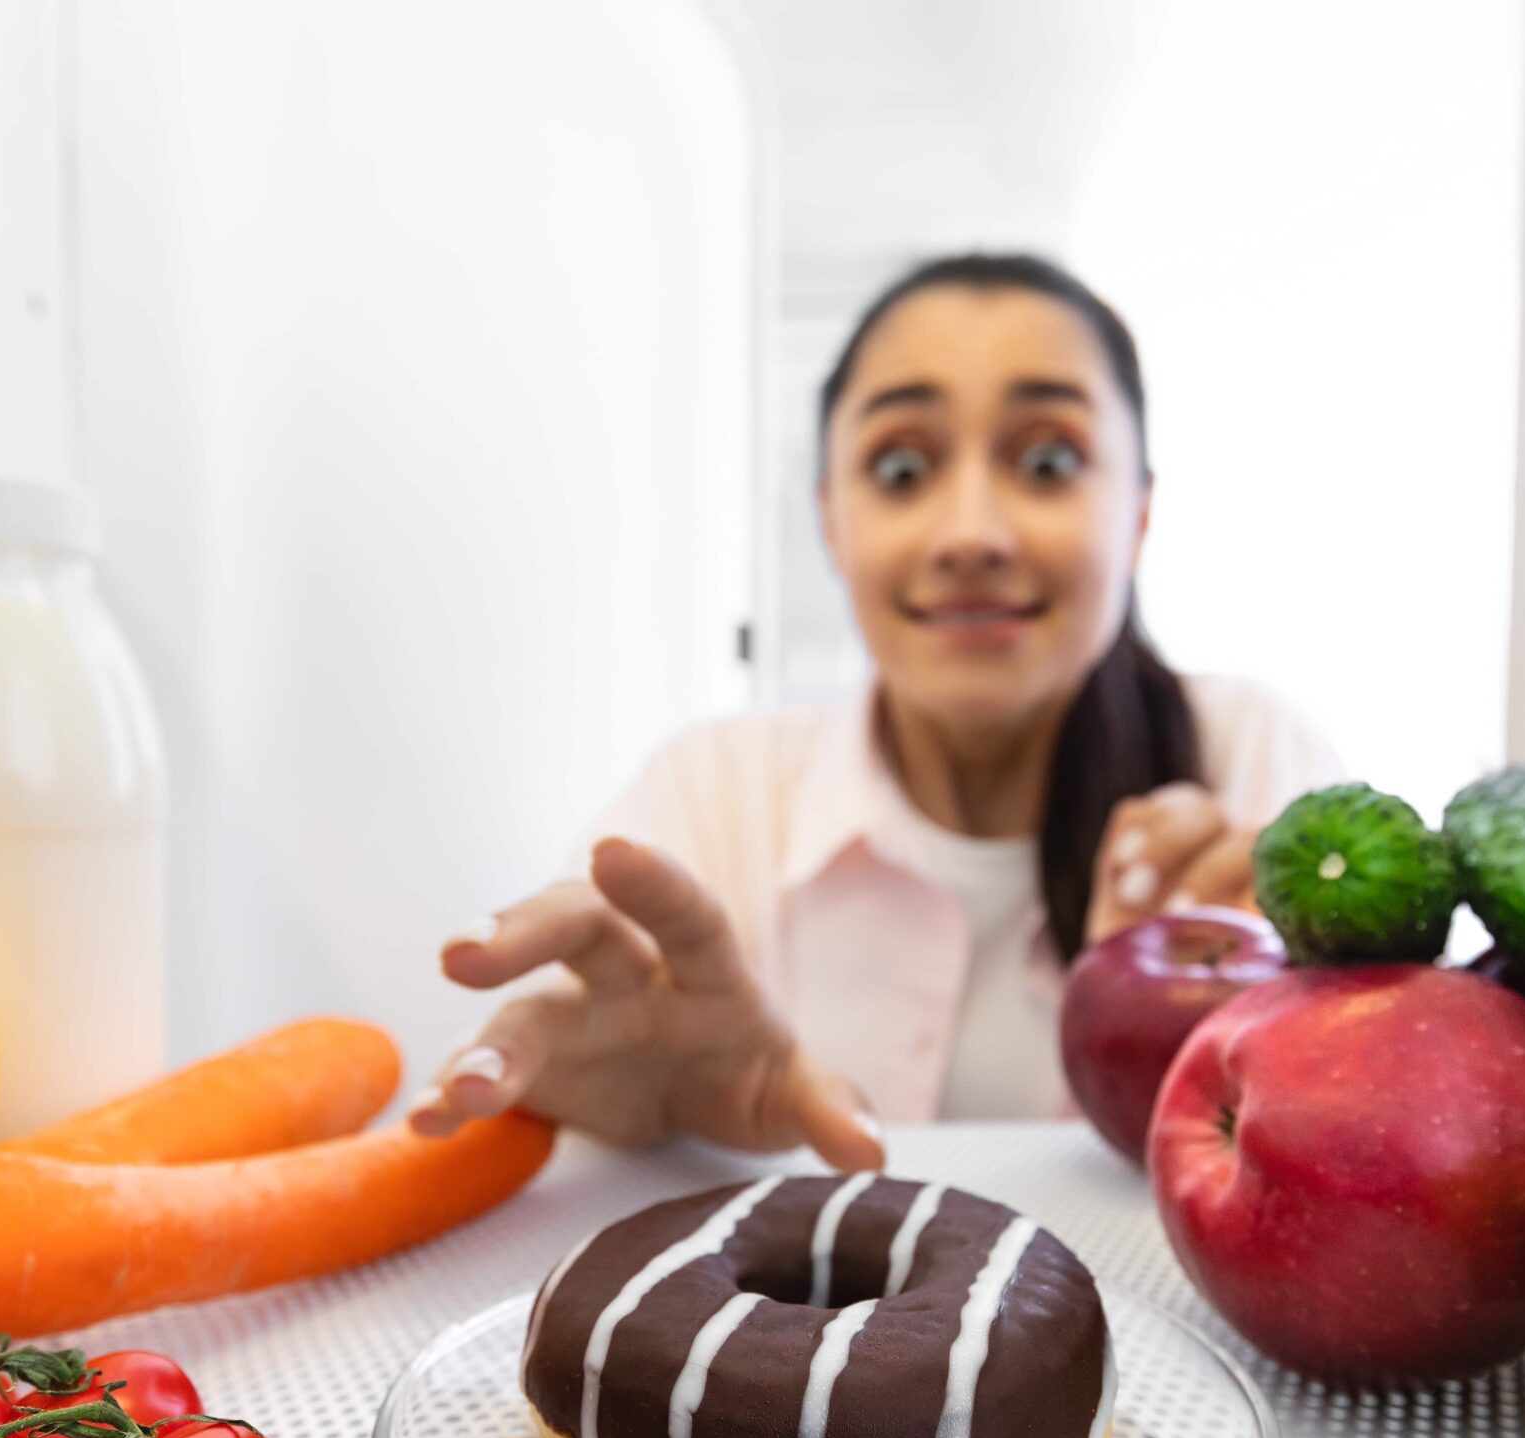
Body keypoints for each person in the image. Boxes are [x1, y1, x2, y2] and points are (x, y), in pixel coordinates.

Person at [409, 254, 1343, 1170]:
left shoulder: (1253, 768)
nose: (971, 533)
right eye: (900, 470)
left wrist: (1243, 1028)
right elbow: (573, 1047)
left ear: (1138, 512)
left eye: (1049, 460)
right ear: (829, 519)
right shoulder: (710, 791)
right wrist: (631, 1129)